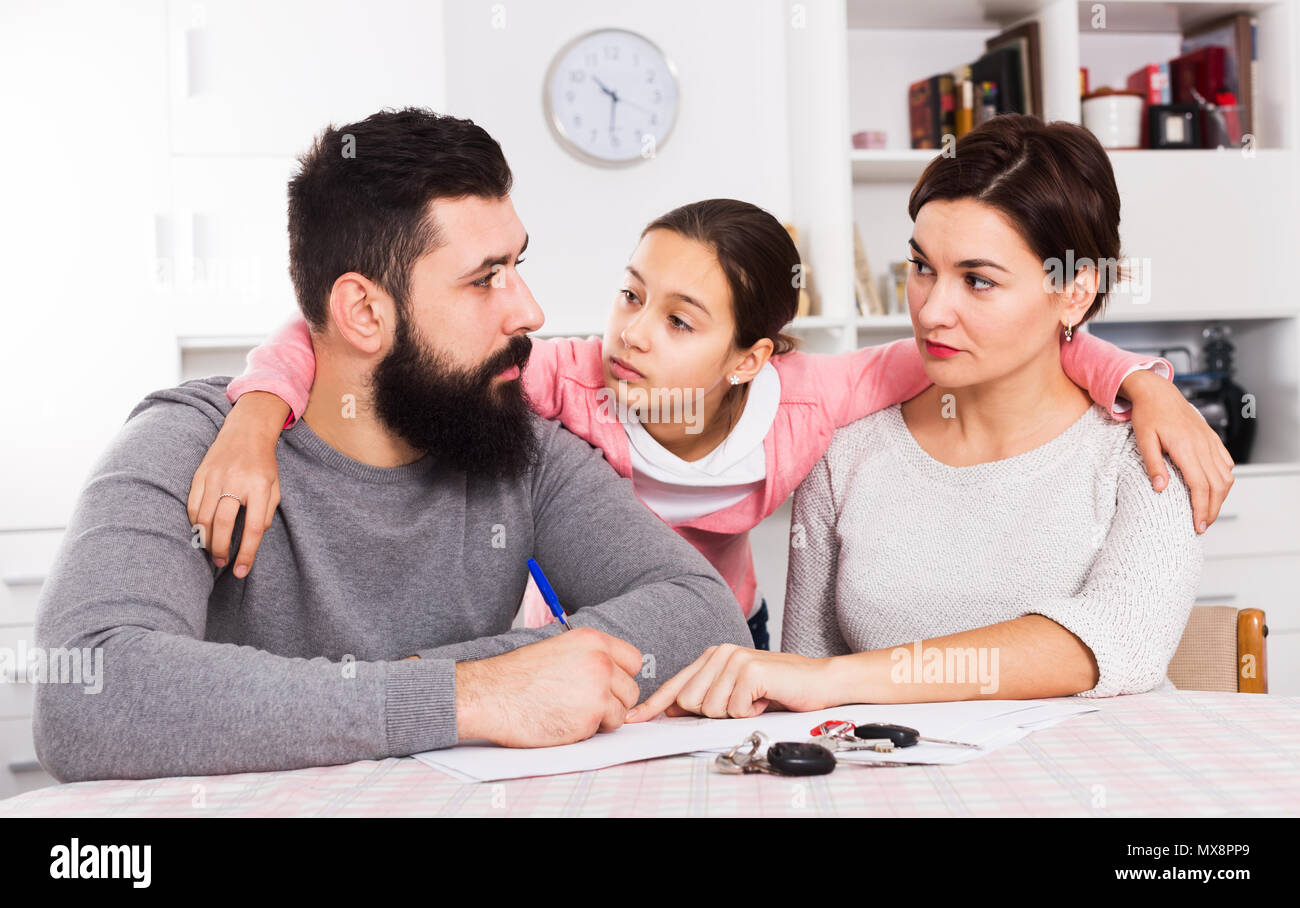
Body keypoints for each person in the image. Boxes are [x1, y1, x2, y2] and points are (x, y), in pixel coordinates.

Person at [32, 108, 753, 782]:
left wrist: (434, 683)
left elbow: (705, 617)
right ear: (365, 313)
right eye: (484, 280)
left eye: (518, 266)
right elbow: (87, 690)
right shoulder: (197, 444)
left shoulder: (521, 449)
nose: (529, 311)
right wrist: (463, 696)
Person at [190, 198, 1229, 652]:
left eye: (678, 318)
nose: (630, 333)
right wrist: (253, 415)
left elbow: (1004, 341)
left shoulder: (816, 399)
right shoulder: (566, 376)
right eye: (631, 293)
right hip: (580, 631)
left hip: (735, 631)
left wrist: (1146, 383)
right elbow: (337, 325)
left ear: (750, 358)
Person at [626, 115, 1218, 721]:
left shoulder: (1149, 446)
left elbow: (1119, 640)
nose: (933, 310)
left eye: (978, 281)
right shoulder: (846, 451)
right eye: (922, 266)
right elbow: (802, 679)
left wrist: (840, 678)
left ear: (1074, 290)